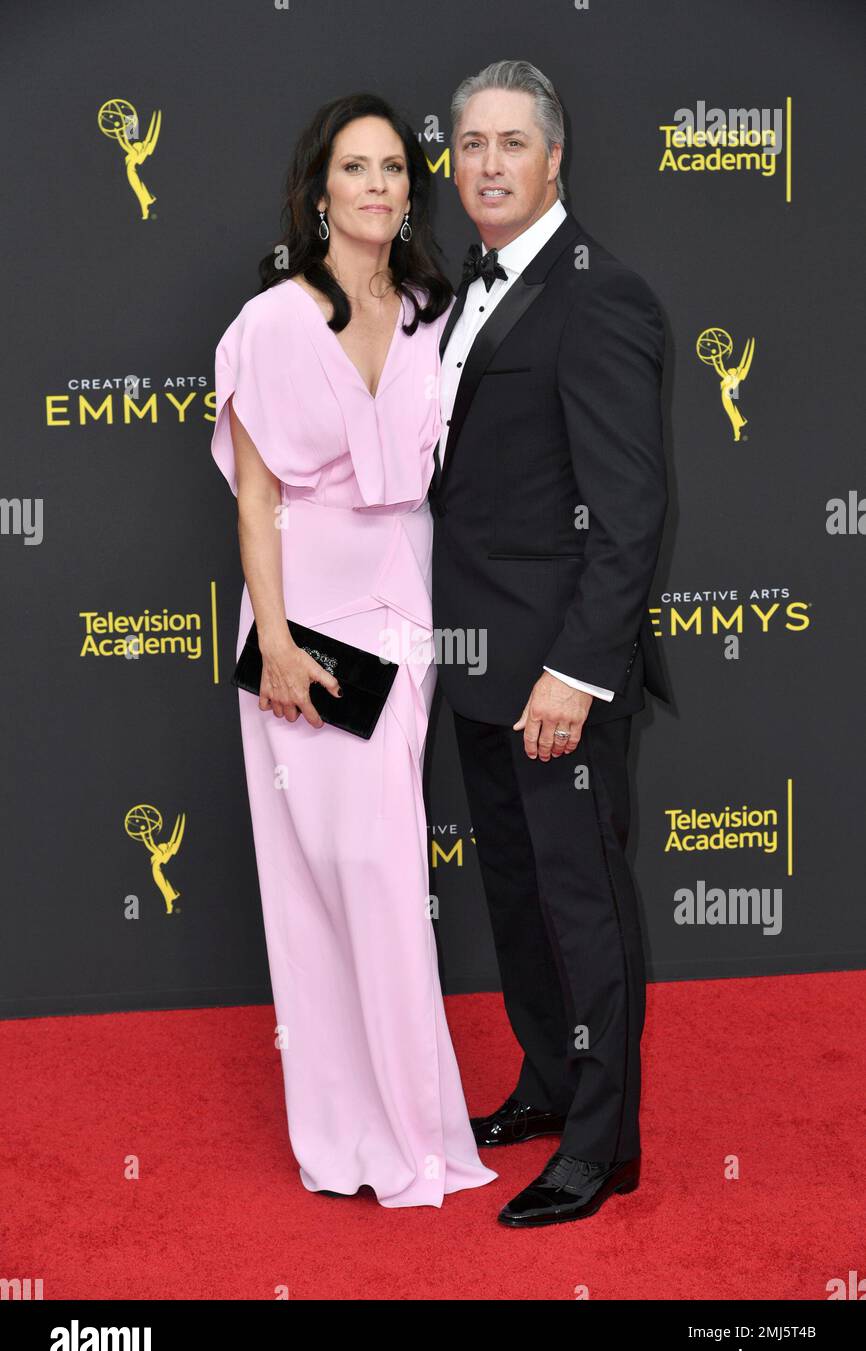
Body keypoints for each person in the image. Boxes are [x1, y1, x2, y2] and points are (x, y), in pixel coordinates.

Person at [210, 93, 497, 1208]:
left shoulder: (433, 311)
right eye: (355, 167)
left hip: (399, 614)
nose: (377, 186)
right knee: (317, 885)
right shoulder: (270, 322)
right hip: (301, 619)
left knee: (379, 872)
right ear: (317, 188)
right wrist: (273, 639)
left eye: (392, 169)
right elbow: (256, 499)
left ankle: (412, 1129)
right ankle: (345, 1137)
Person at [429, 60, 670, 1227]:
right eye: (469, 144)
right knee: (515, 898)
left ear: (554, 157)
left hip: (555, 677)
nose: (486, 165)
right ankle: (545, 1077)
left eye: (510, 144)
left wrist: (572, 673)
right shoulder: (459, 291)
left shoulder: (598, 295)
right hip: (472, 665)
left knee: (581, 903)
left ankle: (599, 1143)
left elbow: (628, 515)